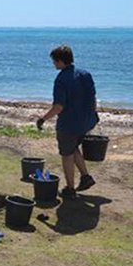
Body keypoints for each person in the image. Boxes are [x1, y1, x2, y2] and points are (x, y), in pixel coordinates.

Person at [36, 44, 99, 199]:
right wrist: (92, 116)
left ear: (60, 61)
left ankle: (70, 189)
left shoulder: (62, 79)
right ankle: (86, 177)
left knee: (66, 155)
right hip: (86, 121)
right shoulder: (85, 74)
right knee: (73, 148)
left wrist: (43, 119)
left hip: (69, 124)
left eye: (54, 61)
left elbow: (58, 107)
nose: (53, 64)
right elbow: (93, 99)